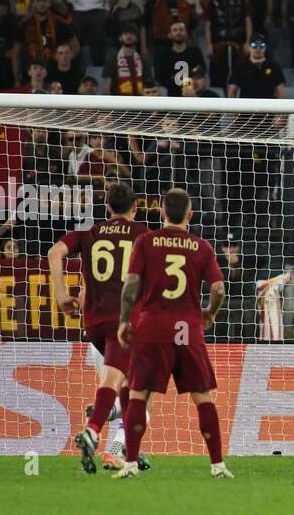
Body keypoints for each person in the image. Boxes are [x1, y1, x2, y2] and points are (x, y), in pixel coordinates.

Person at [116, 187, 231, 479]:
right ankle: (217, 465)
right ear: (190, 215)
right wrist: (211, 312)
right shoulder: (201, 246)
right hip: (187, 329)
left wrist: (124, 320)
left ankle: (129, 463)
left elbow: (131, 283)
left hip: (153, 326)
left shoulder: (145, 242)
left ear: (162, 212)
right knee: (202, 397)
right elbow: (218, 288)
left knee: (138, 394)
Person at [48, 182, 153, 474]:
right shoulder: (143, 234)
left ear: (107, 208)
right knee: (130, 392)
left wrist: (60, 295)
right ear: (135, 208)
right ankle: (94, 430)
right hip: (125, 322)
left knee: (130, 389)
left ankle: (125, 447)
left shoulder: (88, 233)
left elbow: (54, 252)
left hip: (93, 324)